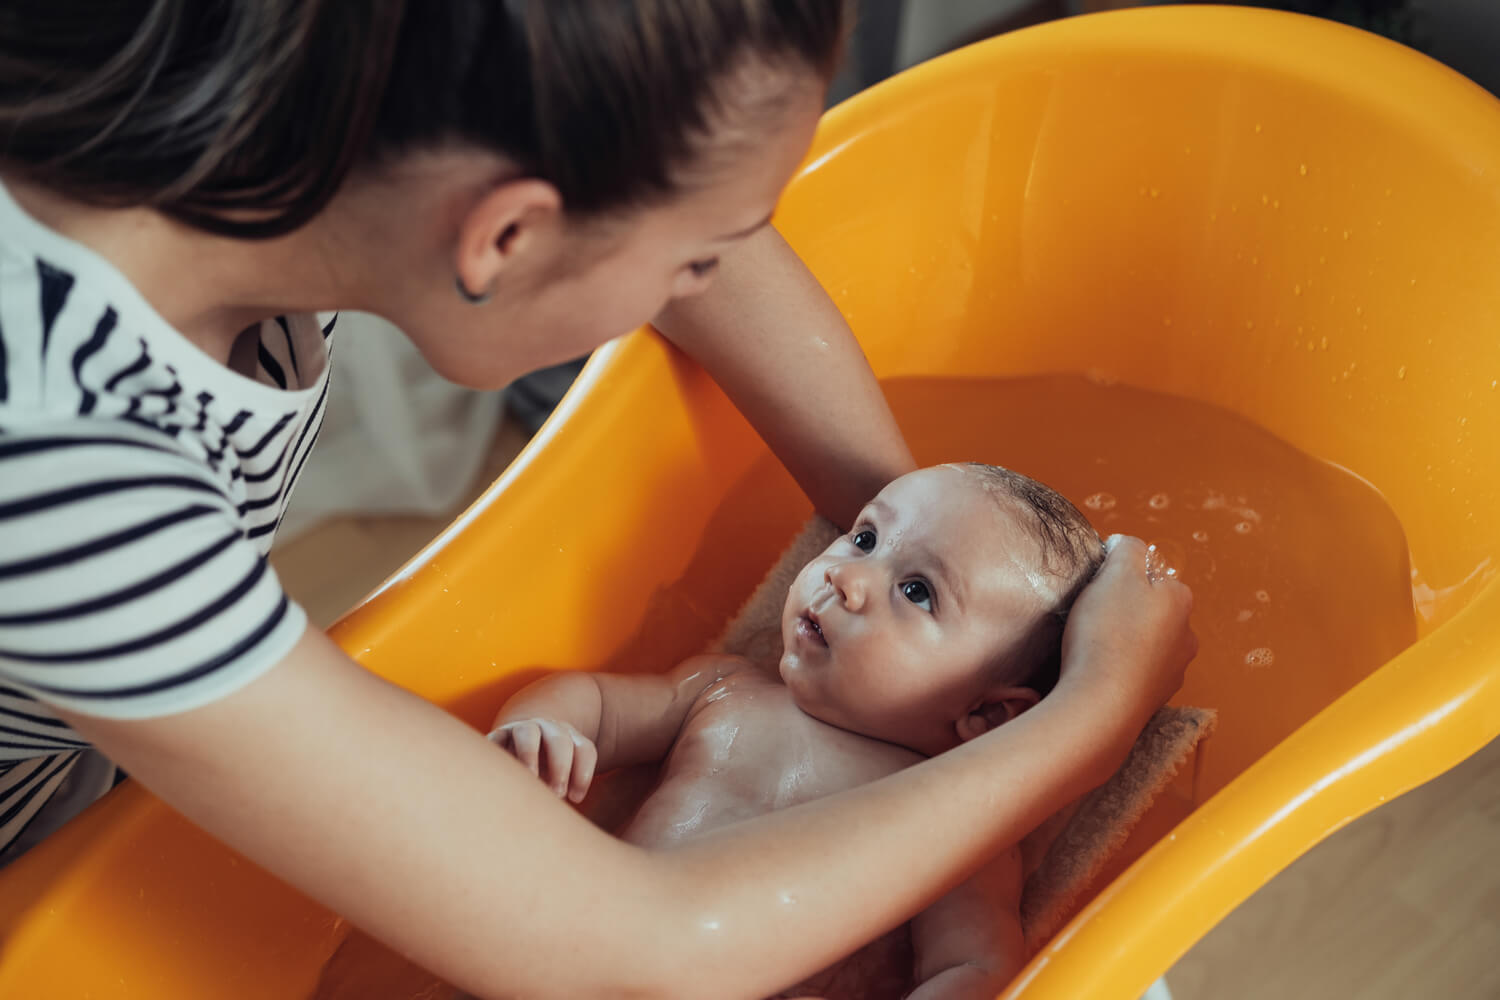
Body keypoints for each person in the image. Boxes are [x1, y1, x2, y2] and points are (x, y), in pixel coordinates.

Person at [0, 4, 1195, 998]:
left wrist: (930, 540)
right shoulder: (61, 462)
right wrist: (1087, 714)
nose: (702, 282)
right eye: (693, 255)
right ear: (508, 231)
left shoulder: (278, 100)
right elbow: (640, 947)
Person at [490, 463, 1105, 999]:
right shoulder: (723, 688)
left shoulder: (958, 814)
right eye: (864, 538)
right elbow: (596, 701)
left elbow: (976, 964)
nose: (847, 576)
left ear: (990, 716)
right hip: (586, 958)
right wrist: (544, 728)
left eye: (916, 591)